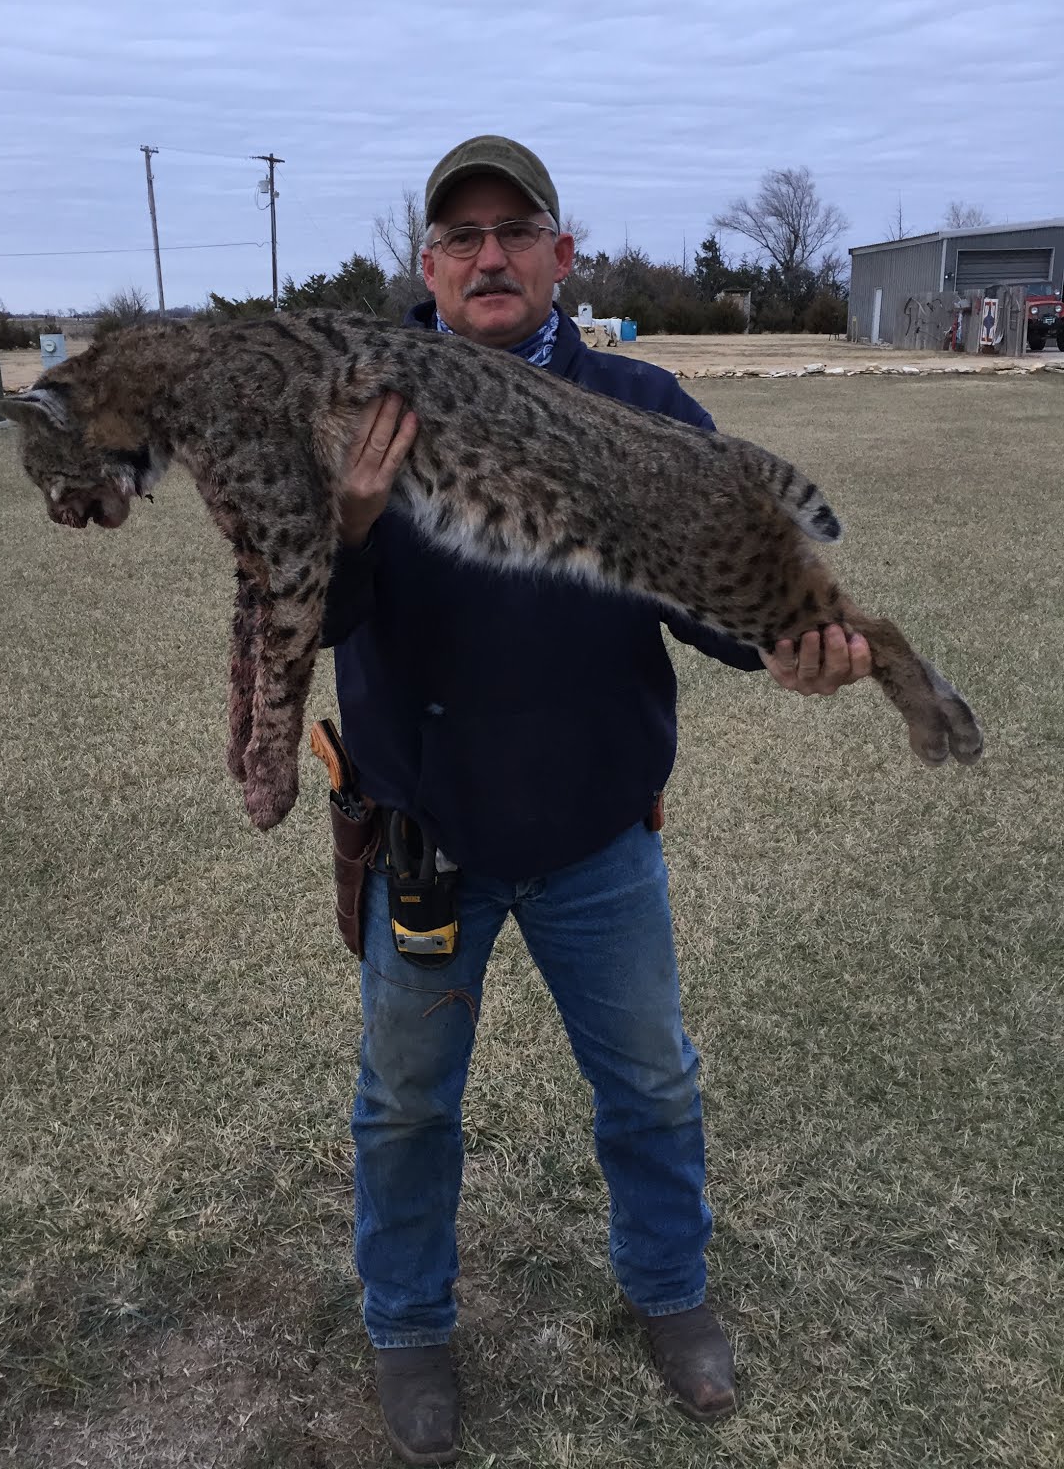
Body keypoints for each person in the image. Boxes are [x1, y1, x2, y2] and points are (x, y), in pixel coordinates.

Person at [321, 135, 871, 1466]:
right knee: (405, 1107)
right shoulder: (357, 411)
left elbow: (717, 591)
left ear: (564, 256)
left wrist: (787, 646)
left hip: (595, 839)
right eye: (461, 237)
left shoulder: (640, 402)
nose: (489, 257)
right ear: (426, 266)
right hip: (426, 843)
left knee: (652, 1086)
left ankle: (671, 1293)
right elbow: (304, 618)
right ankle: (409, 1327)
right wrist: (348, 521)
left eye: (516, 232)